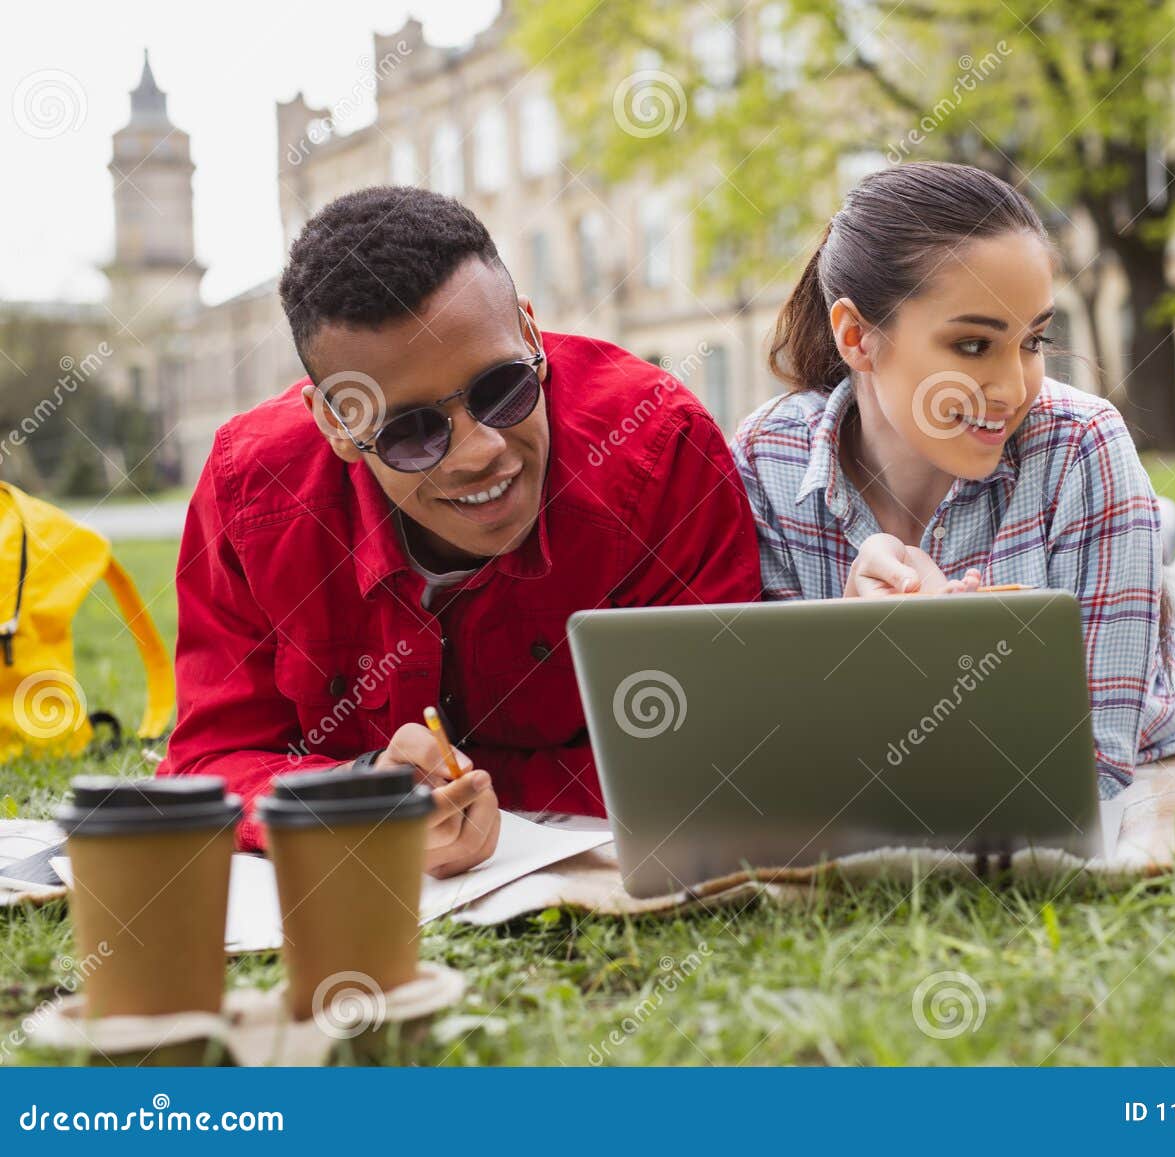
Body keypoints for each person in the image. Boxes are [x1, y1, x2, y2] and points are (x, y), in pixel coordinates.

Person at [158, 187, 761, 873]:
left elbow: (715, 747)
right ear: (336, 424)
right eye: (413, 432)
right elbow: (208, 761)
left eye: (501, 388)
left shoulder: (659, 449)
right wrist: (363, 793)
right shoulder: (251, 490)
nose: (482, 451)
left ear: (531, 333)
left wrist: (466, 797)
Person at [732, 161, 1175, 797]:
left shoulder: (1082, 446)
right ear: (857, 337)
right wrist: (853, 651)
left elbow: (1089, 771)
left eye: (1033, 341)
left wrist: (943, 664)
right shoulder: (767, 458)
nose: (1012, 389)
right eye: (974, 345)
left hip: (1153, 758)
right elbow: (771, 753)